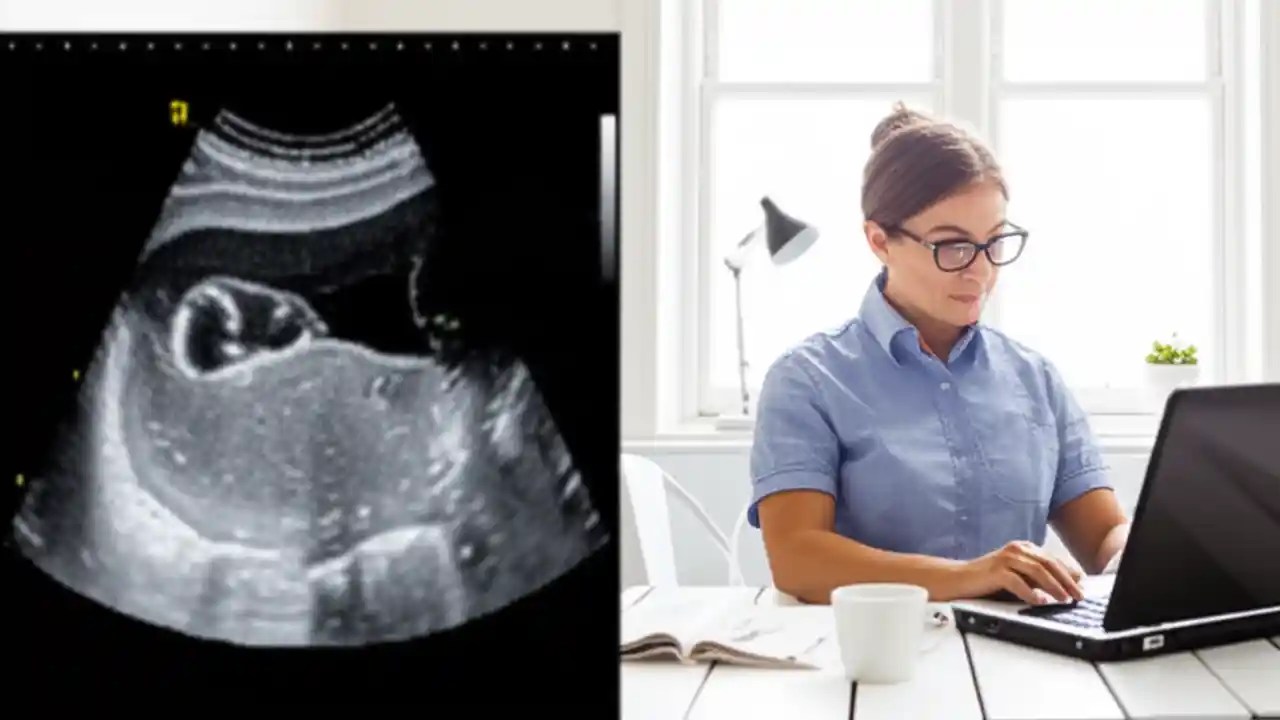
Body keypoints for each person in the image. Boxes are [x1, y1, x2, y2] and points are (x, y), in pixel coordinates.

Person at [749, 103, 1130, 607]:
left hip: (1019, 648)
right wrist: (972, 576)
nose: (981, 271)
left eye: (995, 242)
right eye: (952, 246)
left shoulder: (1035, 378)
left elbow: (1104, 538)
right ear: (879, 241)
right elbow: (798, 558)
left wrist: (1148, 549)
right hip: (873, 649)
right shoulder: (808, 379)